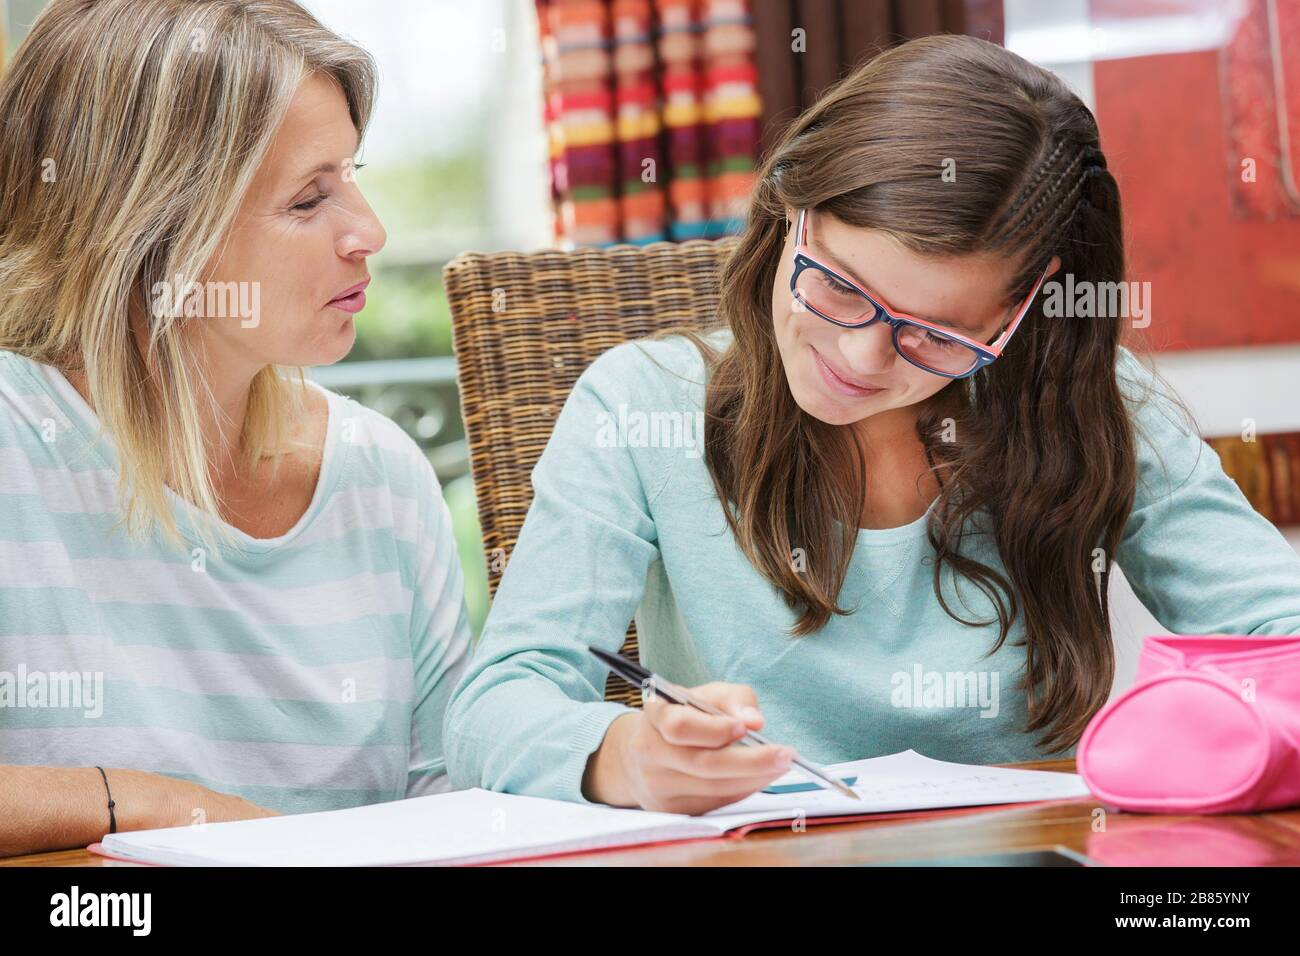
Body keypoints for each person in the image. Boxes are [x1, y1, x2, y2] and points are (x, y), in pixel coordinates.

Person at [443, 34, 1300, 815]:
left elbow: (1284, 632)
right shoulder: (641, 406)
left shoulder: (1095, 403)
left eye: (936, 335)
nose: (858, 360)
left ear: (1021, 319)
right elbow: (495, 706)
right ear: (790, 209)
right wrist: (621, 757)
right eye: (839, 286)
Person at [0, 0, 470, 856]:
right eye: (307, 200)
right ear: (149, 232)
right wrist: (141, 805)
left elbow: (449, 808)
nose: (369, 231)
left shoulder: (380, 474)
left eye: (352, 176)